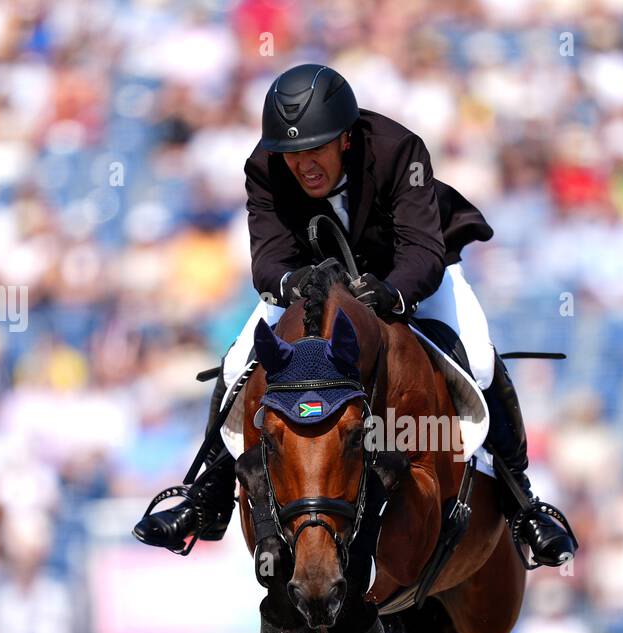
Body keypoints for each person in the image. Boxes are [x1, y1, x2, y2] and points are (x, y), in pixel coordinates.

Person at [134, 64, 576, 566]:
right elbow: (269, 259)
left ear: (346, 139)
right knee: (237, 364)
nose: (303, 166)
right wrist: (289, 283)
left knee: (476, 356)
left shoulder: (398, 150)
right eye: (293, 155)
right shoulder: (264, 165)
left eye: (315, 150)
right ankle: (206, 497)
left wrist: (389, 294)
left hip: (405, 274)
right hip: (314, 283)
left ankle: (524, 503)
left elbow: (423, 253)